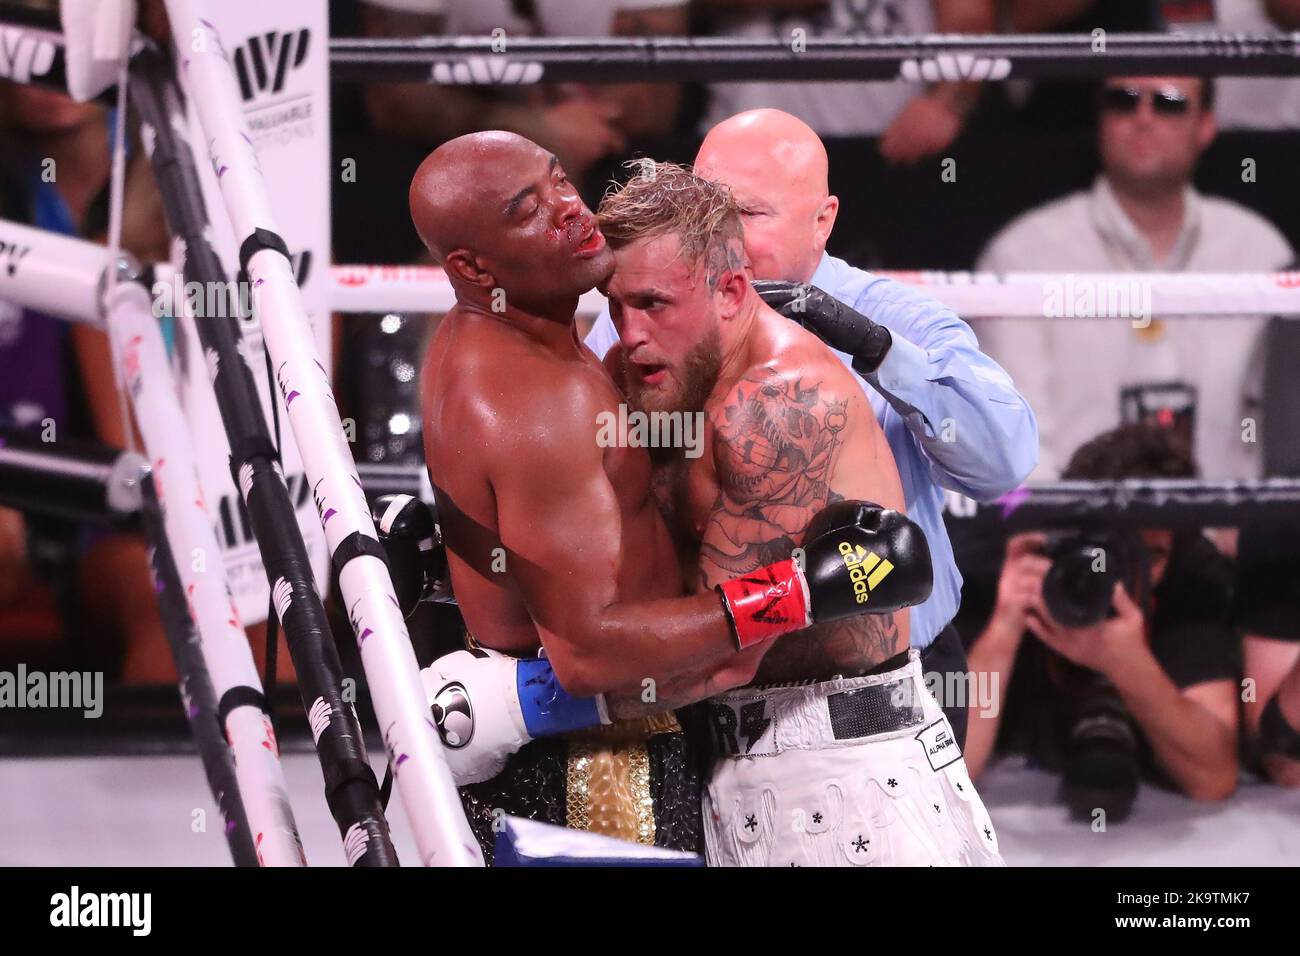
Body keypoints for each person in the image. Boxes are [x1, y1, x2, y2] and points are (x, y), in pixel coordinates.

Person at [409, 131, 931, 861]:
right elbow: (597, 646)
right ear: (471, 266)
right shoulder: (552, 383)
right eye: (618, 306)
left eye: (560, 182)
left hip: (828, 762)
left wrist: (503, 698)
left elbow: (720, 658)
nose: (631, 335)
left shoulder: (772, 403)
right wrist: (803, 591)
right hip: (609, 756)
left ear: (731, 289)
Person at [586, 109, 1038, 747]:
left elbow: (1004, 463)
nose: (722, 239)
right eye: (706, 210)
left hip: (882, 689)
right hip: (695, 684)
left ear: (822, 221)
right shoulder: (642, 316)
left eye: (749, 214)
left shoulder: (893, 317)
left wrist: (876, 351)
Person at [975, 75, 1294, 481]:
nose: (1143, 117)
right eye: (1123, 100)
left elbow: (1277, 429)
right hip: (1074, 528)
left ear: (1207, 124)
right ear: (1101, 119)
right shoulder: (1020, 256)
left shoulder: (1262, 254)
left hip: (1230, 530)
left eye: (1169, 102)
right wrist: (1055, 531)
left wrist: (1247, 532)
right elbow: (1012, 436)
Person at [963, 424, 1240, 812]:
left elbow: (1213, 778)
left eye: (1151, 555)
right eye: (1109, 548)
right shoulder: (1017, 558)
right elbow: (950, 772)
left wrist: (1127, 664)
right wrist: (1004, 628)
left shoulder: (1189, 573)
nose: (1124, 571)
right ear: (1068, 530)